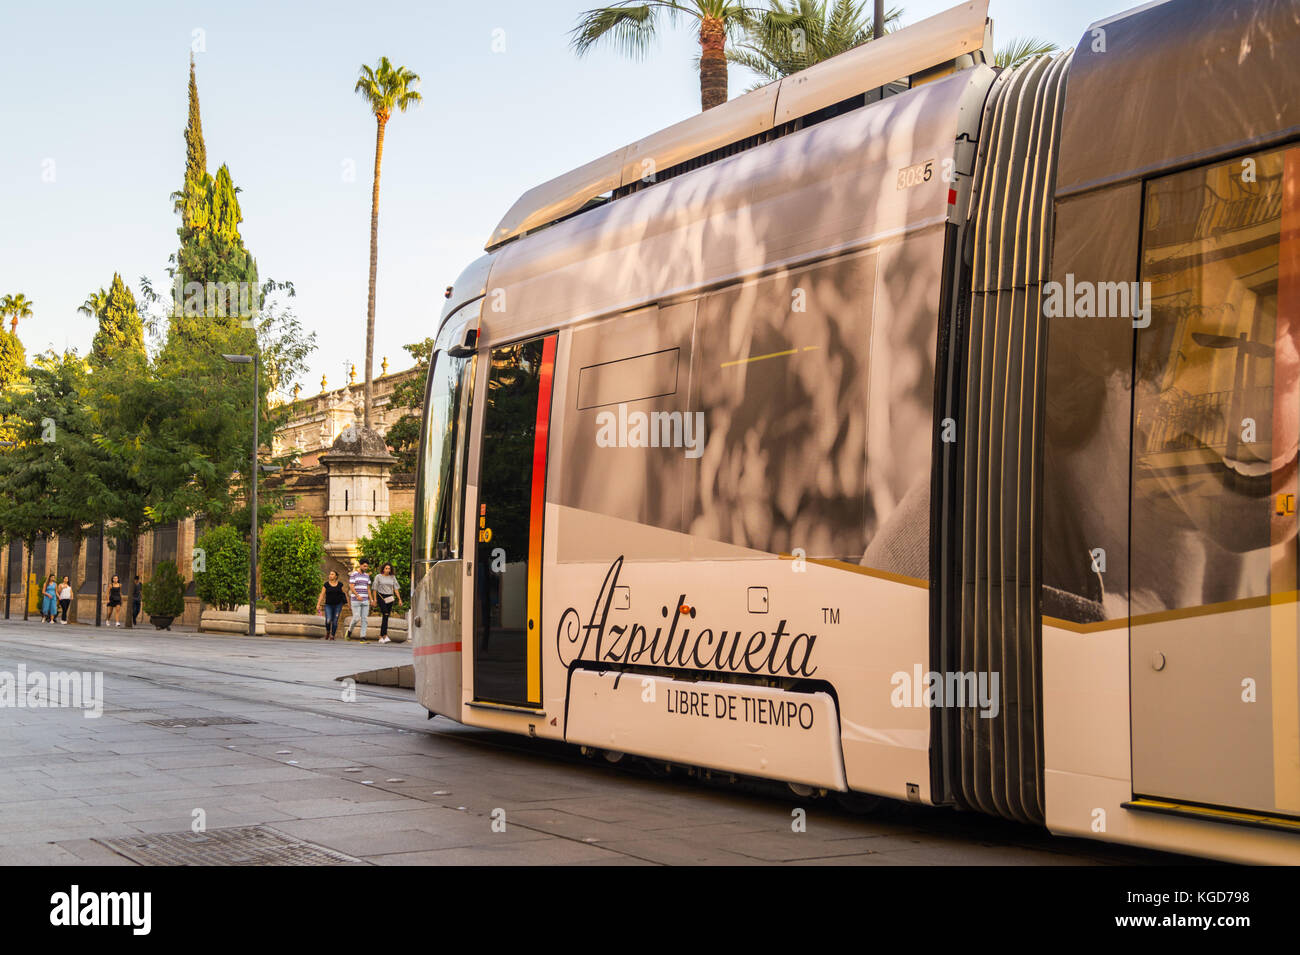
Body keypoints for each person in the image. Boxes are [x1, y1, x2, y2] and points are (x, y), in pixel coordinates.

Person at [372, 562, 401, 644]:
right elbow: (374, 588)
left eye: (389, 569)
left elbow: (396, 589)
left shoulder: (392, 577)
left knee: (386, 616)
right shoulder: (378, 577)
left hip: (390, 597)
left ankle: (383, 635)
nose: (388, 570)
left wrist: (399, 599)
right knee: (385, 614)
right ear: (383, 569)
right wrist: (375, 600)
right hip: (381, 596)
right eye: (386, 568)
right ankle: (383, 635)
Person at [315, 570, 346, 640]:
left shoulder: (340, 584)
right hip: (328, 605)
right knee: (328, 620)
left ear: (336, 576)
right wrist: (318, 604)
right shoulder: (326, 585)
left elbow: (344, 594)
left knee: (335, 620)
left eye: (332, 574)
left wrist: (348, 603)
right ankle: (328, 631)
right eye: (330, 574)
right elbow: (322, 595)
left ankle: (332, 635)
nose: (330, 575)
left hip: (338, 605)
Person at [345, 559, 371, 641]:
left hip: (365, 600)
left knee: (365, 619)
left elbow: (368, 588)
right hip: (356, 600)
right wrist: (357, 595)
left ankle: (362, 636)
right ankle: (349, 631)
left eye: (367, 566)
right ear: (360, 565)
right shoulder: (354, 574)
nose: (366, 567)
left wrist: (372, 599)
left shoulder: (367, 576)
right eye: (364, 566)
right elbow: (351, 587)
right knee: (356, 617)